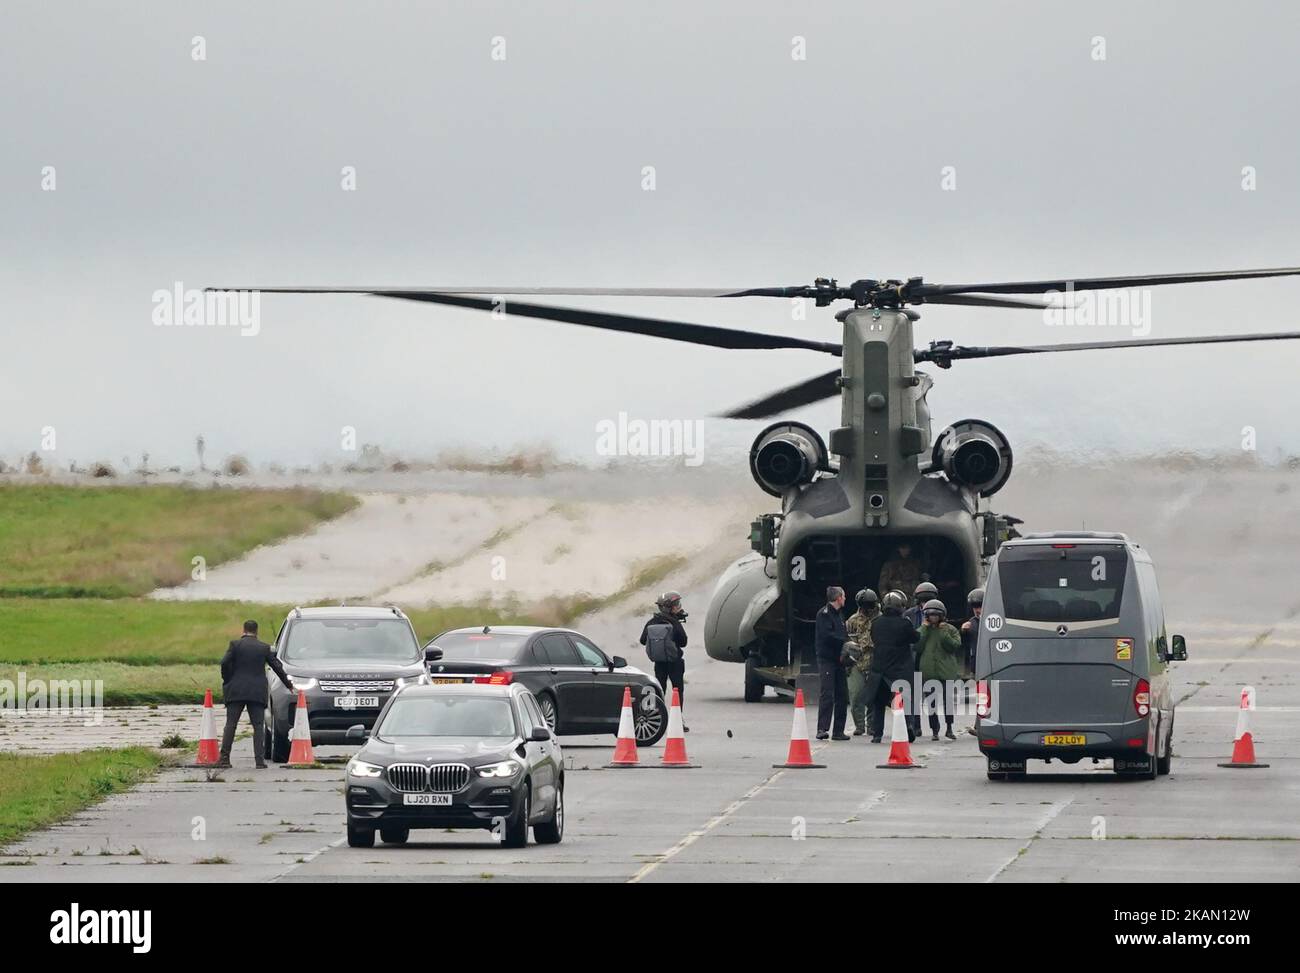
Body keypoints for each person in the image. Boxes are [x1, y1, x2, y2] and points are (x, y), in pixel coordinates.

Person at [219, 620, 292, 768]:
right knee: (258, 726)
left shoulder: (235, 645)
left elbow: (224, 663)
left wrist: (228, 679)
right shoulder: (264, 648)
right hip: (257, 691)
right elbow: (277, 667)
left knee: (231, 725)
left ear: (243, 630)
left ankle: (224, 759)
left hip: (236, 689)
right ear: (256, 631)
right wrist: (289, 685)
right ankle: (259, 761)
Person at [866, 590, 920, 742]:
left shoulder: (876, 623)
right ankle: (909, 725)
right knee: (906, 700)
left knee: (879, 704)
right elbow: (916, 638)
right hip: (900, 669)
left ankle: (877, 734)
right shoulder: (904, 623)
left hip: (879, 669)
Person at [639, 590, 689, 731]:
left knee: (660, 690)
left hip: (659, 663)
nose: (678, 607)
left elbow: (643, 640)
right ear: (669, 607)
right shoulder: (674, 623)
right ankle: (678, 719)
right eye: (676, 604)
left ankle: (655, 718)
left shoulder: (652, 622)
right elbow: (683, 641)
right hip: (675, 663)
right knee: (677, 690)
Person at [916, 598, 963, 741]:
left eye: (936, 615)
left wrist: (943, 632)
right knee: (931, 703)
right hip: (928, 671)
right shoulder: (922, 630)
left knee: (948, 702)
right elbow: (917, 647)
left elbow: (954, 646)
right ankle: (934, 729)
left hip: (946, 671)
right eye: (931, 615)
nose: (934, 618)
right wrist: (924, 629)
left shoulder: (950, 629)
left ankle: (949, 727)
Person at [813, 586, 851, 741]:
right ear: (838, 598)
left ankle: (838, 731)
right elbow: (828, 636)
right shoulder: (824, 615)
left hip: (839, 660)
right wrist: (845, 642)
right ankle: (822, 728)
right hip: (827, 659)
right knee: (827, 693)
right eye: (843, 596)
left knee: (842, 695)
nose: (845, 599)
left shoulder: (839, 615)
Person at [845, 588, 880, 736]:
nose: (867, 609)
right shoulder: (852, 621)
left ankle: (871, 725)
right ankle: (859, 725)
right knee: (856, 695)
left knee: (873, 696)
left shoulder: (880, 619)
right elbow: (846, 640)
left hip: (875, 661)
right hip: (856, 662)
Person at [961, 587, 984, 736]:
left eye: (980, 606)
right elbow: (963, 645)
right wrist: (963, 632)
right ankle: (979, 725)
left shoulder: (994, 621)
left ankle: (981, 725)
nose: (977, 610)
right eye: (975, 607)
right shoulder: (971, 623)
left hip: (993, 662)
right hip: (978, 664)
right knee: (982, 696)